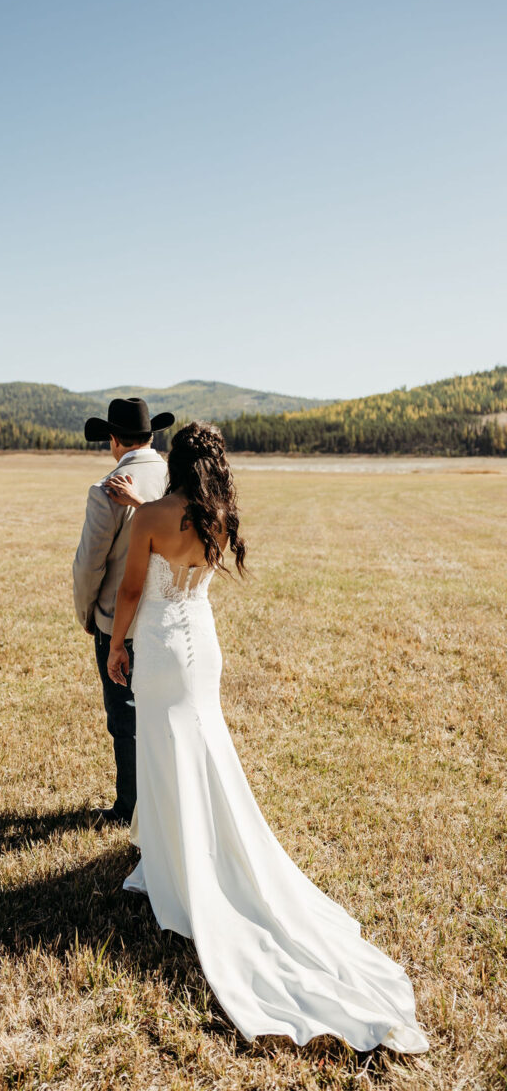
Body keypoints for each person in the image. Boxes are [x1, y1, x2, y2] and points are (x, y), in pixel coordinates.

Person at [105, 421, 429, 1053]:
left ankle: (177, 864)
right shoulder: (218, 517)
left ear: (176, 462)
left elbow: (133, 588)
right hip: (203, 646)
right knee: (203, 747)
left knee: (168, 751)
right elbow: (178, 534)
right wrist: (142, 508)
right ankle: (197, 847)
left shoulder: (152, 519)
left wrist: (118, 644)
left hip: (164, 649)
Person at [72, 397, 174, 827]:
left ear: (113, 440)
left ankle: (130, 808)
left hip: (121, 624)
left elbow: (89, 566)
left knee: (125, 718)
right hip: (169, 620)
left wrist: (87, 615)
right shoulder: (176, 479)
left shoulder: (107, 490)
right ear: (151, 436)